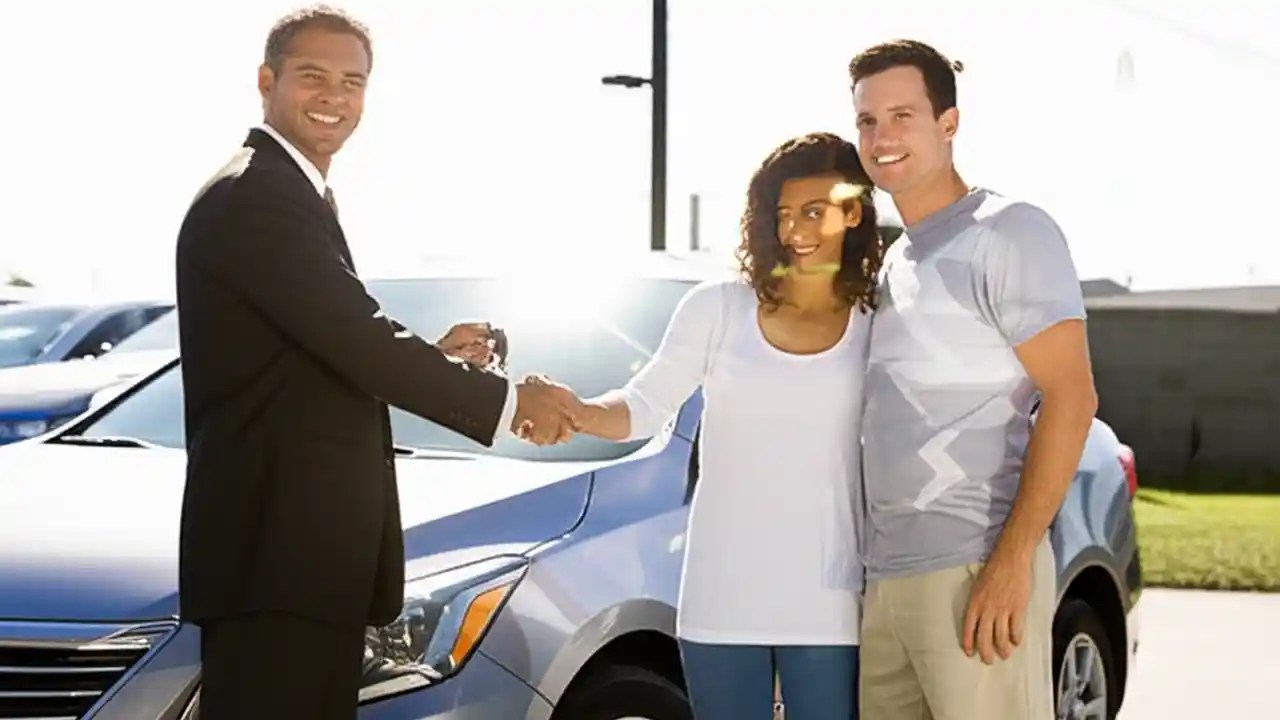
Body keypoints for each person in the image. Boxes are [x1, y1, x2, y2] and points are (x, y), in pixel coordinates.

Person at [173, 6, 575, 719]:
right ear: (267, 81)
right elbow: (356, 339)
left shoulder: (287, 190)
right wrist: (511, 404)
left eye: (352, 82)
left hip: (298, 562)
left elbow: (321, 342)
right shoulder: (257, 195)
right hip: (277, 563)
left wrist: (435, 355)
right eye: (313, 77)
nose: (335, 98)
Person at [531, 132, 884, 720]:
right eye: (784, 214)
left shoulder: (878, 320)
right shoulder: (718, 307)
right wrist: (580, 410)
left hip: (833, 595)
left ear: (853, 212)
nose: (795, 230)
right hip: (723, 591)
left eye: (815, 212)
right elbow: (642, 406)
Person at [848, 39, 1099, 719]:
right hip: (888, 583)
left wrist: (1012, 561)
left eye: (902, 115)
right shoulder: (894, 259)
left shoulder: (1009, 232)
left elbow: (1072, 397)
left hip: (974, 572)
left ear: (948, 124)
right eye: (867, 121)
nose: (882, 137)